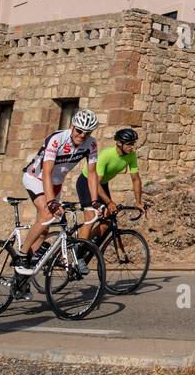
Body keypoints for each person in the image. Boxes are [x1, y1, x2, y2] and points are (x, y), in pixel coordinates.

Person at [15, 109, 101, 274]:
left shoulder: (91, 144)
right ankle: (22, 255)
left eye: (87, 133)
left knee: (44, 230)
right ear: (72, 126)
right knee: (48, 214)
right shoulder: (57, 139)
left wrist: (95, 201)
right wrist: (51, 202)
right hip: (36, 178)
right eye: (79, 130)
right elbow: (46, 172)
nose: (82, 135)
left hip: (56, 184)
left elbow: (92, 174)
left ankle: (23, 276)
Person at [75, 127, 145, 242]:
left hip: (101, 183)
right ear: (119, 143)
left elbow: (136, 180)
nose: (132, 147)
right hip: (87, 182)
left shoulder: (131, 155)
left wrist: (138, 202)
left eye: (133, 143)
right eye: (129, 144)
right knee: (91, 217)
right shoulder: (106, 155)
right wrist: (109, 202)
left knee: (108, 219)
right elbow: (95, 183)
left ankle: (88, 246)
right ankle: (78, 249)